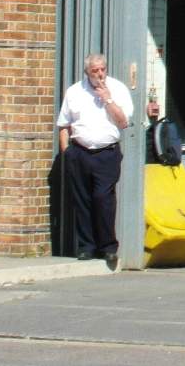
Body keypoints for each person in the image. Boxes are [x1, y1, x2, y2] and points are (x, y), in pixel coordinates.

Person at [56, 53, 134, 267]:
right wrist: (67, 153)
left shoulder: (118, 89)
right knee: (82, 200)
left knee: (103, 198)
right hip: (80, 152)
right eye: (94, 71)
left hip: (106, 153)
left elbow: (123, 122)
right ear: (86, 73)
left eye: (102, 70)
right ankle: (86, 247)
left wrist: (107, 99)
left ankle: (108, 247)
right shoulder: (74, 92)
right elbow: (64, 125)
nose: (99, 74)